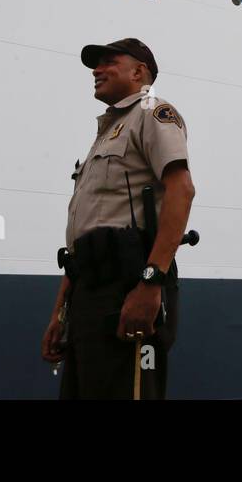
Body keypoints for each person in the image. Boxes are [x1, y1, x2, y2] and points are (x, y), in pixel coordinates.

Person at [41, 38, 195, 399]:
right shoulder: (106, 133)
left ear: (139, 71)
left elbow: (182, 191)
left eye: (109, 62)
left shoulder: (153, 113)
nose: (97, 70)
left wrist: (150, 282)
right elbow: (86, 237)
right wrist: (60, 314)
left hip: (127, 289)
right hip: (89, 295)